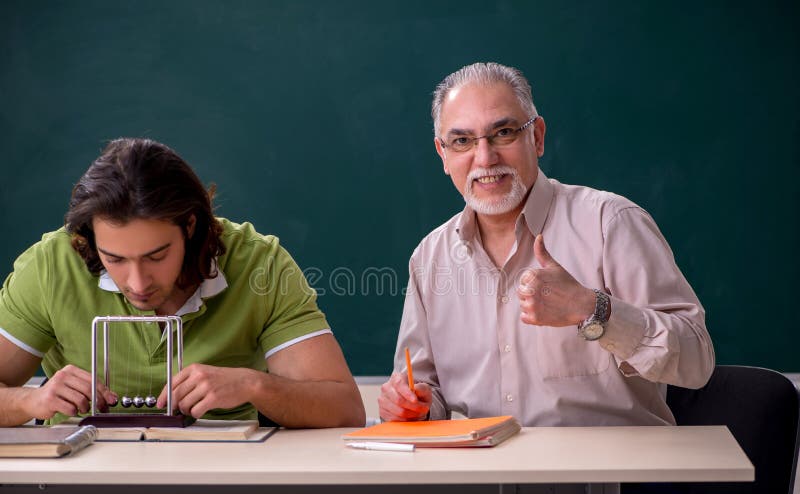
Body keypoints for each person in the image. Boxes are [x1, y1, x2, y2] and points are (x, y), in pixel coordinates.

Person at [379, 62, 715, 427]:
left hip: (609, 477)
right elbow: (424, 387)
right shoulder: (430, 257)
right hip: (485, 477)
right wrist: (415, 404)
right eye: (462, 141)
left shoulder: (609, 223)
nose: (485, 157)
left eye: (503, 132)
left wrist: (594, 309)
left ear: (537, 137)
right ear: (443, 155)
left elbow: (697, 360)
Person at [0, 138, 365, 428]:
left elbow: (344, 407)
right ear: (90, 240)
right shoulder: (51, 265)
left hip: (225, 483)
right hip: (77, 482)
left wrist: (254, 385)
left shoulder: (259, 265)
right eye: (115, 260)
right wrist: (31, 400)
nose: (138, 281)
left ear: (190, 227)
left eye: (156, 256)